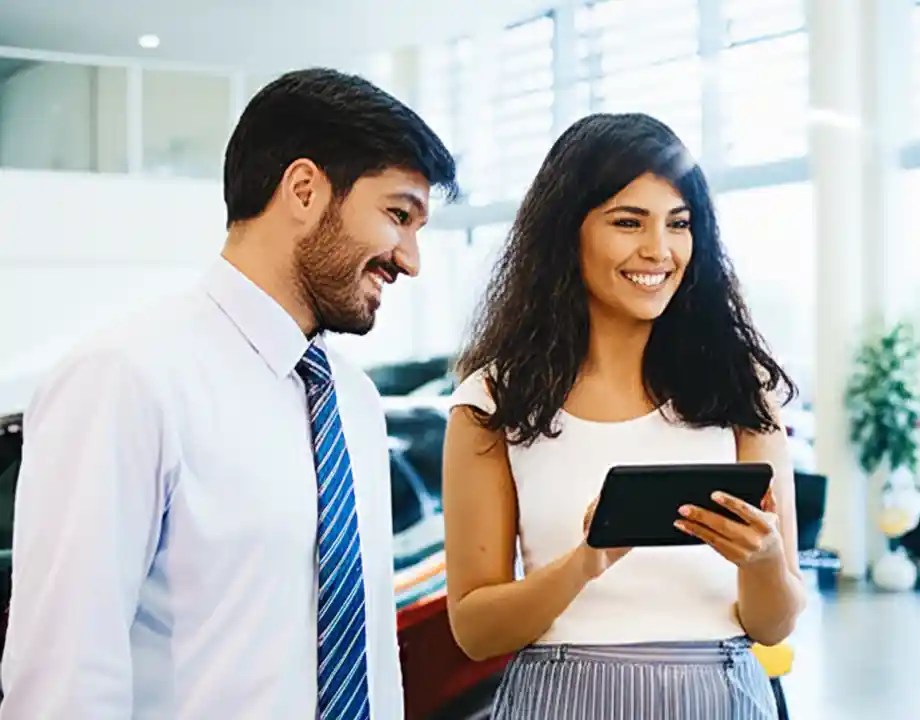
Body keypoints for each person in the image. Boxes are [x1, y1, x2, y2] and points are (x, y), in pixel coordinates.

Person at [0, 67, 457, 718]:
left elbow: (373, 655)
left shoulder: (350, 401)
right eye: (397, 215)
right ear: (304, 190)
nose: (411, 258)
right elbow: (66, 682)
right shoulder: (126, 379)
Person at [441, 112, 806, 719]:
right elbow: (476, 630)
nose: (658, 250)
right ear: (567, 232)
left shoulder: (743, 389)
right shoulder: (492, 402)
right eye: (627, 222)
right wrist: (586, 561)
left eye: (679, 224)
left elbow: (773, 627)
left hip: (721, 695)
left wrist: (764, 562)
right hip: (561, 699)